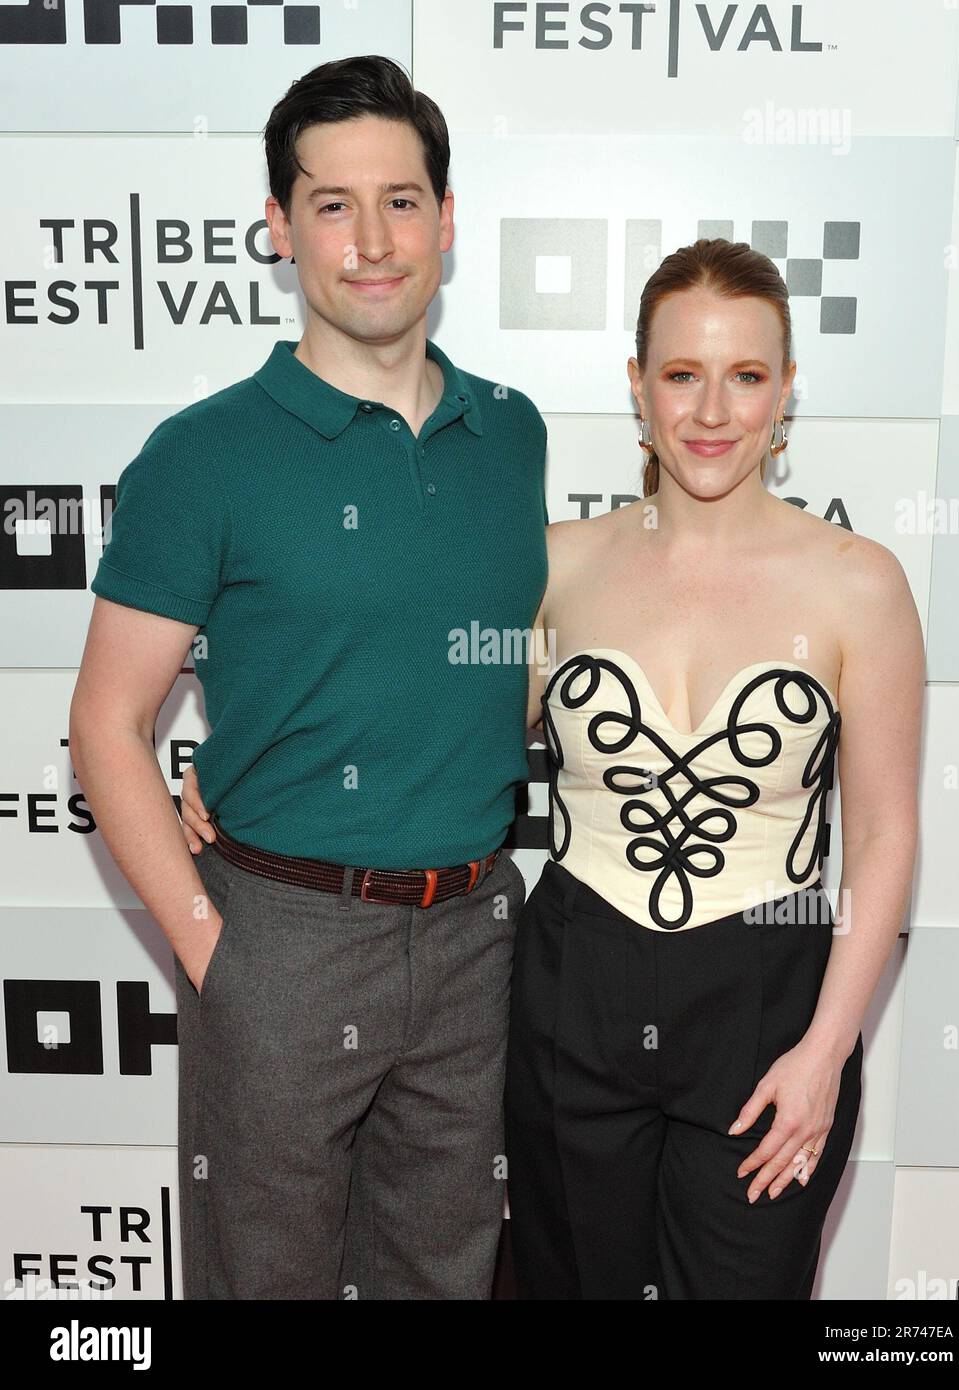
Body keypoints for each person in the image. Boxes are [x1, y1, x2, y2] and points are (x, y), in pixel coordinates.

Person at [68, 55, 546, 1300]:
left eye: (401, 200)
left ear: (448, 221)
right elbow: (107, 723)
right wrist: (213, 953)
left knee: (446, 1280)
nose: (373, 240)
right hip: (279, 935)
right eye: (332, 204)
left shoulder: (515, 432)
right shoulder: (202, 453)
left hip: (475, 933)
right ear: (279, 229)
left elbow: (512, 665)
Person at [501, 238, 924, 1298]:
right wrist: (259, 765)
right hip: (572, 992)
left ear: (787, 393)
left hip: (768, 1008)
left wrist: (827, 1048)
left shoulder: (857, 583)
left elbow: (881, 833)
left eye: (745, 375)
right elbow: (442, 742)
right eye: (681, 373)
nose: (711, 410)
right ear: (636, 387)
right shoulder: (552, 565)